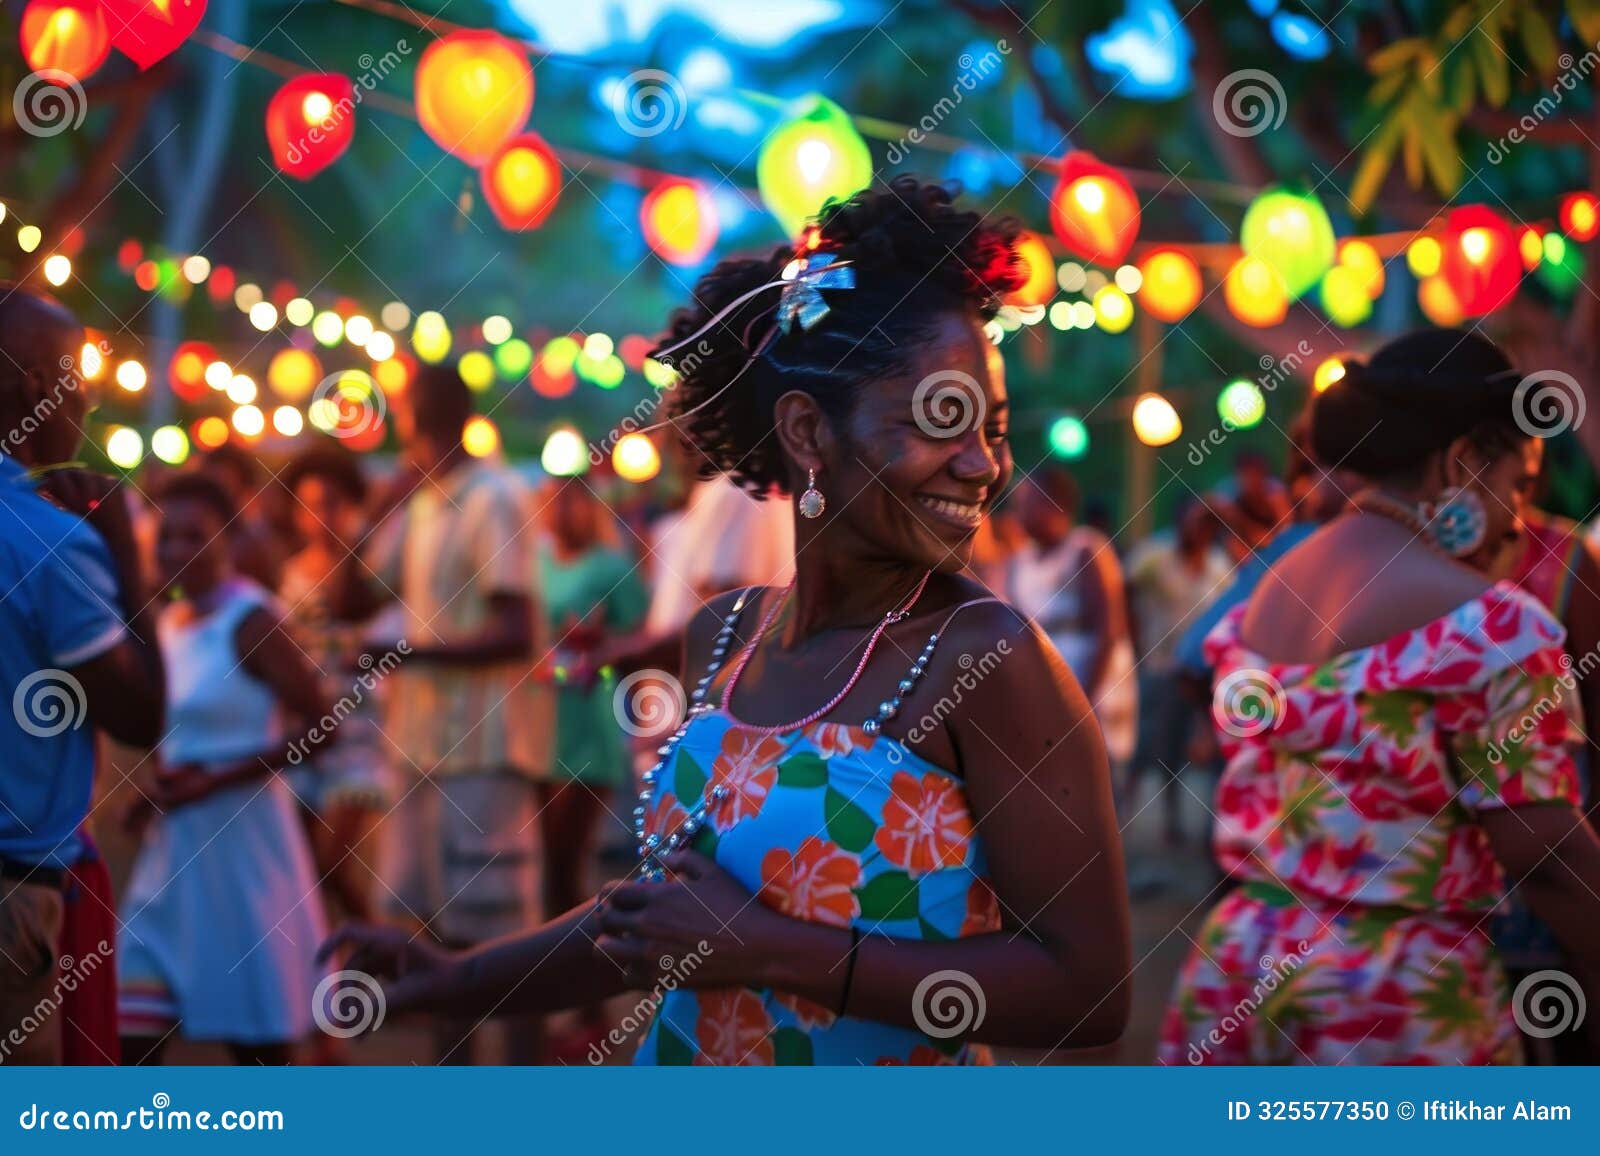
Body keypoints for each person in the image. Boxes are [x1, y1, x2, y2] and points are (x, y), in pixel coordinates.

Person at [327, 177, 1131, 1066]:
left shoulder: (989, 661)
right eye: (942, 423)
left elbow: (1087, 991)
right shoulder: (726, 636)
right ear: (807, 431)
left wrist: (777, 950)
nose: (982, 466)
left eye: (996, 427)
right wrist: (455, 975)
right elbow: (660, 919)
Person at [1161, 329, 1600, 1065]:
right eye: (1515, 485)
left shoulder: (1270, 592)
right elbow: (1546, 856)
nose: (1516, 522)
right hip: (1395, 999)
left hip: (1236, 973)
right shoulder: (1494, 626)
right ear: (1462, 461)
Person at [361, 363, 551, 1065]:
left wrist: (406, 653)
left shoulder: (495, 496)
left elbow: (514, 629)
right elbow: (352, 594)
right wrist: (381, 502)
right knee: (434, 938)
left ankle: (527, 1095)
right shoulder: (423, 499)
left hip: (483, 747)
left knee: (499, 935)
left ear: (418, 414)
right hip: (417, 746)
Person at [0, 288, 165, 1066]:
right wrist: (128, 556)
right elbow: (140, 715)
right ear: (35, 387)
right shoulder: (49, 540)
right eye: (77, 376)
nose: (90, 399)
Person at [117, 473, 331, 1065]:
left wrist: (217, 779)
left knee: (256, 1036)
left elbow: (322, 726)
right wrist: (156, 793)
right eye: (167, 536)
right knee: (132, 1019)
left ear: (229, 540)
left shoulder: (252, 619)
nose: (177, 551)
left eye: (195, 536)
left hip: (243, 845)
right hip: (176, 845)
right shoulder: (168, 623)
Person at [536, 476, 649, 1059]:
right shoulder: (532, 560)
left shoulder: (611, 564)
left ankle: (590, 1009)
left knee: (564, 865)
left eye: (574, 500)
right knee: (543, 872)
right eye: (554, 500)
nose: (564, 511)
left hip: (589, 723)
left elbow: (642, 635)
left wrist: (597, 643)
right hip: (538, 720)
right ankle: (565, 1004)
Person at [279, 445, 391, 924]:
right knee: (308, 865)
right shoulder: (291, 569)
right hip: (308, 730)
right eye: (307, 503)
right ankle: (339, 958)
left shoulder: (370, 569)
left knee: (330, 860)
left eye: (329, 502)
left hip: (361, 730)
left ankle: (382, 954)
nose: (318, 515)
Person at [1009, 468, 1137, 768]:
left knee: (1093, 768)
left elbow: (1109, 630)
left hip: (1092, 687)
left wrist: (1084, 702)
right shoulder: (1021, 559)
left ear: (1055, 504)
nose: (1019, 511)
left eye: (1027, 501)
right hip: (1045, 688)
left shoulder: (1086, 548)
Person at [1124, 499, 1232, 844]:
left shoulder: (1219, 566)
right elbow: (1126, 592)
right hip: (1161, 669)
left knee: (1202, 744)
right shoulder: (1154, 556)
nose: (1196, 529)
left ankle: (1205, 825)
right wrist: (1135, 643)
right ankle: (1168, 818)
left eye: (1204, 523)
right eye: (1191, 521)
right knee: (1160, 743)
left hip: (1203, 674)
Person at [194, 442, 286, 590]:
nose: (219, 500)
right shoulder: (194, 538)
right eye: (213, 490)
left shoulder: (256, 543)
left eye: (227, 489)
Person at [1209, 448, 1290, 561]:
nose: (1251, 480)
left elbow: (1288, 533)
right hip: (1257, 564)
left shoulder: (1276, 493)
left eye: (1255, 474)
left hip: (1285, 553)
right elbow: (1243, 555)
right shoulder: (1232, 501)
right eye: (1246, 475)